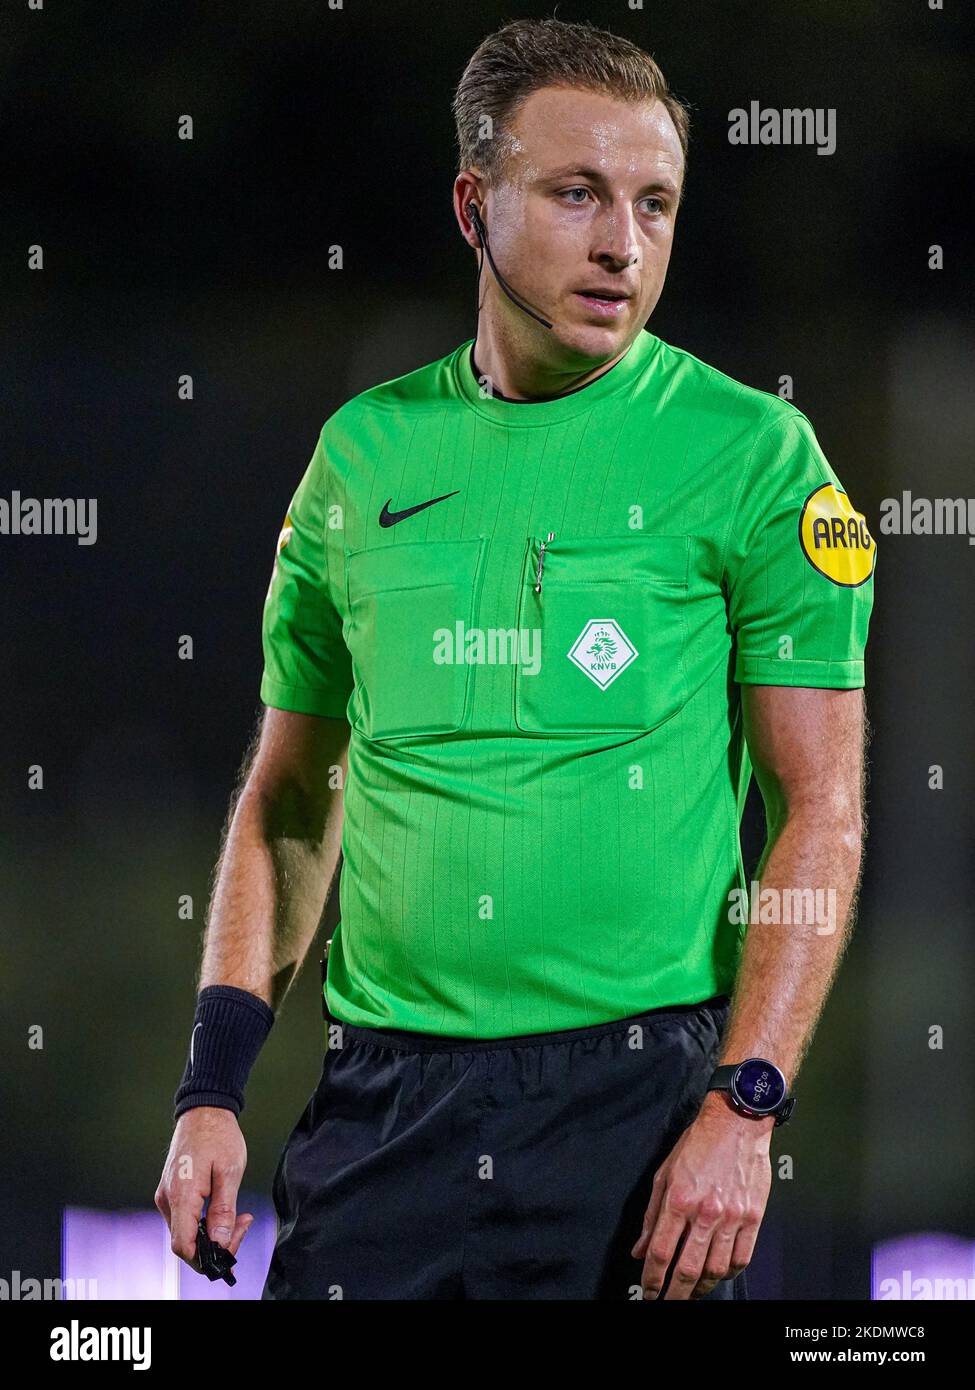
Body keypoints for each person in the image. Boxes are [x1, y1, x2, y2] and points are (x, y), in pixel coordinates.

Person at [155, 17, 876, 1301]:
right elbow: (286, 801)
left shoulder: (757, 454)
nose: (623, 244)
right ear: (475, 205)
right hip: (385, 1105)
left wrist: (748, 1106)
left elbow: (817, 808)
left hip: (641, 1113)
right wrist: (211, 1086)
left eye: (655, 203)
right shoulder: (359, 458)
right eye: (578, 194)